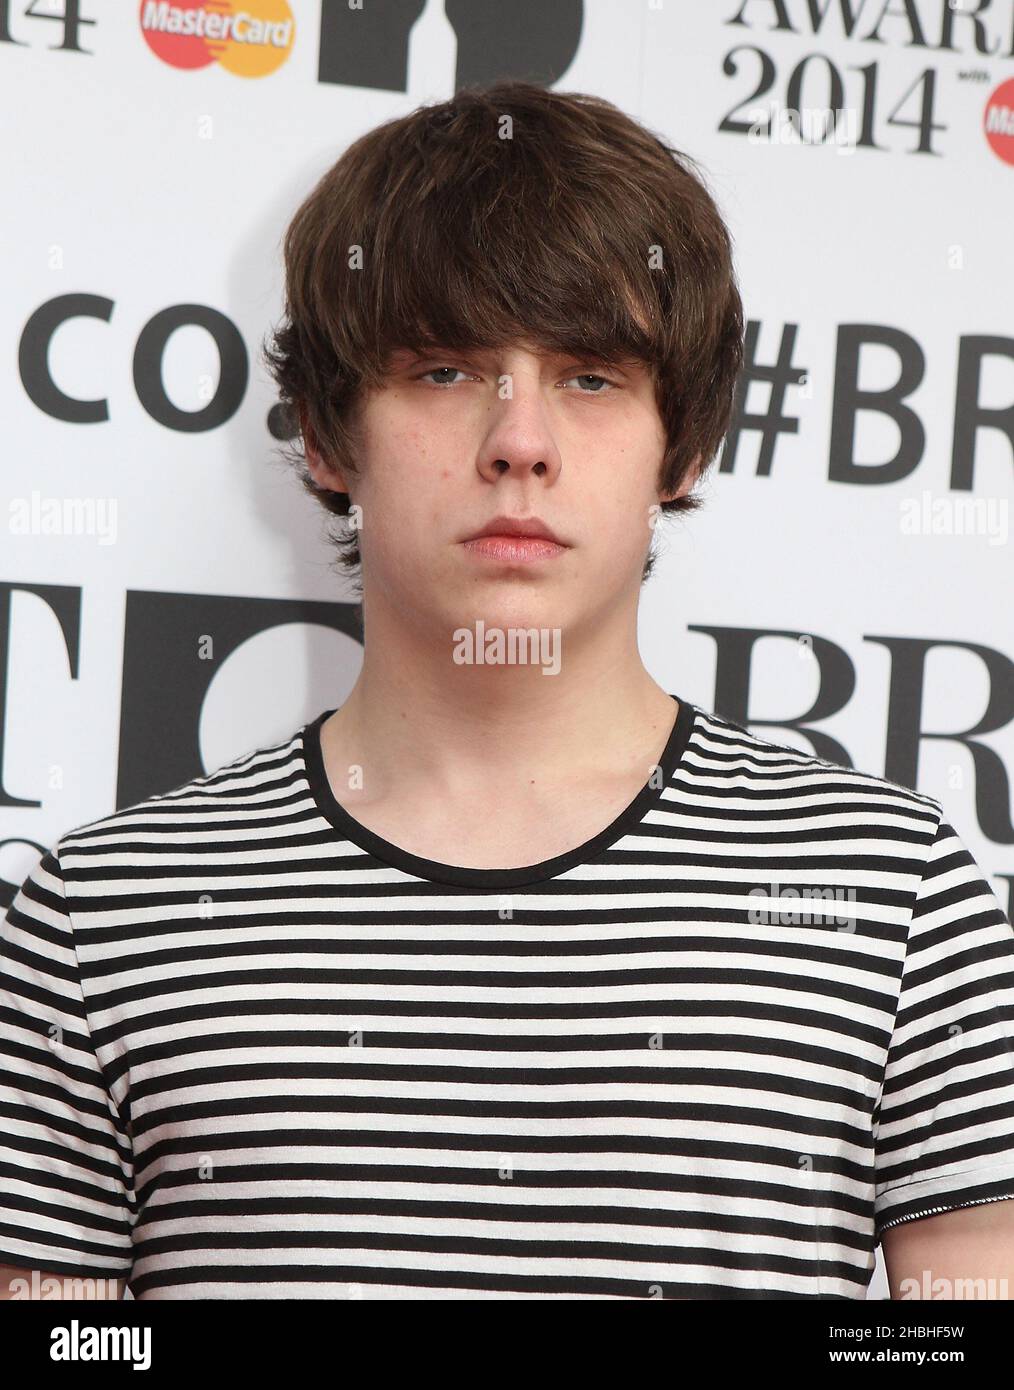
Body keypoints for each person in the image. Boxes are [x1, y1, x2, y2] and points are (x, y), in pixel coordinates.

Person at [3, 80, 1013, 1302]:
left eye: (590, 377)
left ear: (681, 445)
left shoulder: (889, 891)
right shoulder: (102, 916)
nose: (517, 438)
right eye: (442, 370)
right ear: (329, 437)